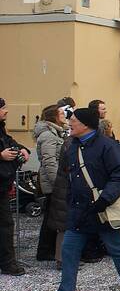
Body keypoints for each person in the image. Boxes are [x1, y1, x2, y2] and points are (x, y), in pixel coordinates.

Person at [38, 107, 120, 291]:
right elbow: (69, 177)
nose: (69, 123)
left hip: (102, 208)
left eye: (73, 120)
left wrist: (104, 200)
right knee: (68, 250)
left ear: (85, 125)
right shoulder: (72, 146)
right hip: (80, 210)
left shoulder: (107, 146)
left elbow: (119, 177)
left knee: (116, 248)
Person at [34, 104, 68, 265]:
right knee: (51, 216)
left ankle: (48, 249)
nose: (64, 115)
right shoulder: (48, 135)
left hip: (55, 181)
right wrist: (58, 183)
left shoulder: (57, 132)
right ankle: (45, 250)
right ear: (53, 116)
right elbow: (49, 161)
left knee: (53, 215)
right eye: (61, 113)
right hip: (52, 182)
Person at [0, 97, 30, 275]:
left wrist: (23, 149)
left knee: (5, 224)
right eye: (3, 108)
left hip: (3, 184)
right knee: (5, 225)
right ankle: (8, 263)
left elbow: (10, 142)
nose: (6, 111)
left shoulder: (2, 128)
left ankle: (7, 261)